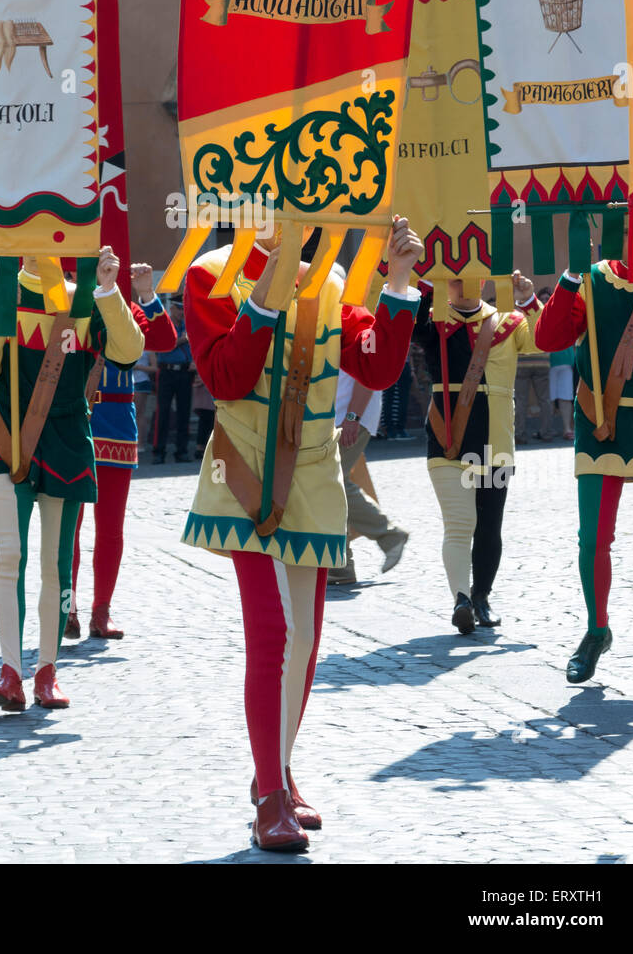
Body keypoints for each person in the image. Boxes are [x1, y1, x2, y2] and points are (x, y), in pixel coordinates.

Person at [182, 217, 422, 851]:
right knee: (274, 633)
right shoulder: (210, 276)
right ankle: (268, 797)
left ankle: (279, 769)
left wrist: (397, 282)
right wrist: (269, 286)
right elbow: (226, 378)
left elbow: (379, 369)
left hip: (313, 478)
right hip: (244, 474)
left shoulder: (334, 282)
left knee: (307, 639)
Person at [0, 247, 144, 710]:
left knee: (55, 565)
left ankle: (46, 671)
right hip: (8, 441)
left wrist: (106, 288)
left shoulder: (85, 298)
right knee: (9, 555)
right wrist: (0, 310)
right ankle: (9, 673)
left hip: (65, 443)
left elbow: (129, 351)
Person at [536, 256, 633, 690]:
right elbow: (549, 338)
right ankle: (596, 630)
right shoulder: (594, 277)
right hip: (599, 423)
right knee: (594, 539)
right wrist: (569, 273)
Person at [414, 271, 542, 634]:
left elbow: (543, 341)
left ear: (485, 280)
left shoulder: (509, 321)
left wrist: (529, 300)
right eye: (452, 278)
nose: (461, 284)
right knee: (458, 524)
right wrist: (425, 282)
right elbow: (403, 322)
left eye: (468, 277)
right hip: (447, 437)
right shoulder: (432, 320)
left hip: (495, 444)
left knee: (489, 526)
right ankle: (461, 599)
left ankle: (481, 596)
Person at [65, 262, 177, 641]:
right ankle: (68, 607)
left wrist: (147, 293)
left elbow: (163, 340)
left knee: (110, 528)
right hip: (75, 420)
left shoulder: (125, 307)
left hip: (116, 424)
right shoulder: (68, 301)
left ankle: (101, 610)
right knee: (70, 526)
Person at [327, 373, 408, 584]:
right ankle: (339, 565)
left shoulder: (365, 338)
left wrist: (353, 417)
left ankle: (387, 536)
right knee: (331, 484)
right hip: (340, 414)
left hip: (348, 415)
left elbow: (368, 373)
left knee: (331, 482)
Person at [153, 296, 194, 463]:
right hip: (167, 372)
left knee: (184, 413)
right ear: (172, 309)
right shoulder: (165, 324)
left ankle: (181, 451)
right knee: (163, 412)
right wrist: (183, 339)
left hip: (185, 373)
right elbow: (164, 345)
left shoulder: (189, 326)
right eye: (180, 309)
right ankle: (158, 452)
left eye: (185, 309)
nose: (183, 313)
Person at [514, 288, 554, 442]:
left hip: (521, 363)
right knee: (544, 400)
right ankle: (547, 432)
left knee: (521, 400)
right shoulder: (544, 313)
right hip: (543, 361)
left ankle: (520, 434)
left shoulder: (518, 316)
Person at [383, 356, 414, 439]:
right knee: (401, 398)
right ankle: (399, 429)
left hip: (388, 364)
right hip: (402, 364)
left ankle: (390, 429)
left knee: (388, 398)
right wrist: (412, 369)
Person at [550, 343, 575, 441]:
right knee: (566, 396)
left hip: (549, 357)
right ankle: (567, 429)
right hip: (567, 357)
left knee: (549, 397)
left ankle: (547, 429)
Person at [192, 374, 215, 456]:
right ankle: (201, 447)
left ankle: (204, 447)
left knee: (209, 419)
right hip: (205, 382)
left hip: (211, 382)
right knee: (206, 419)